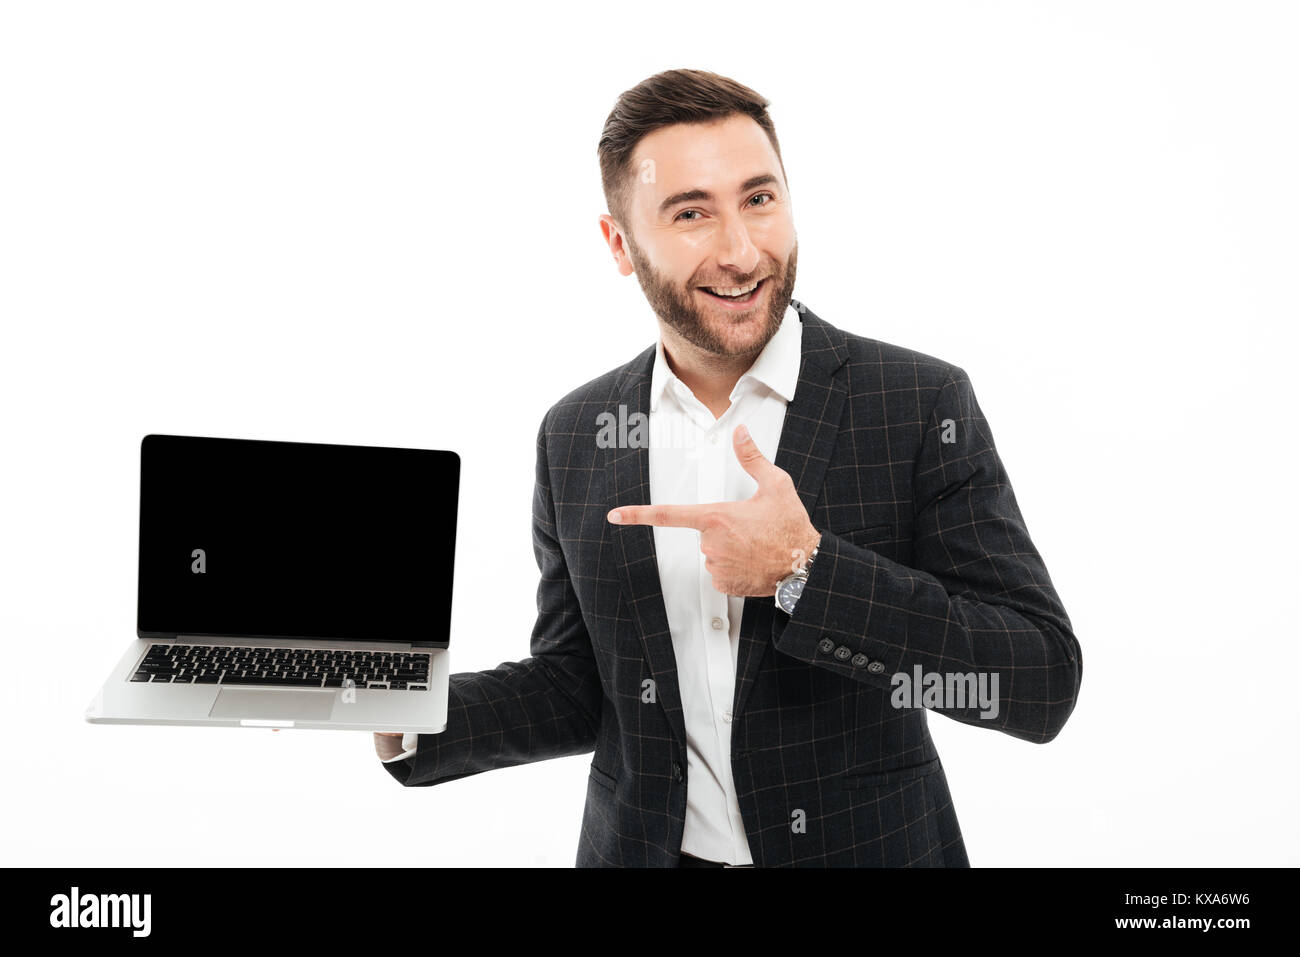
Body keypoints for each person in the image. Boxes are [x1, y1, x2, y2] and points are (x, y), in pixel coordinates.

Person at [375, 68, 1081, 867]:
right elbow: (579, 687)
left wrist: (806, 572)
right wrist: (409, 705)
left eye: (759, 198)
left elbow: (1040, 677)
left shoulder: (916, 402)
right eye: (691, 213)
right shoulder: (577, 434)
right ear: (620, 244)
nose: (742, 251)